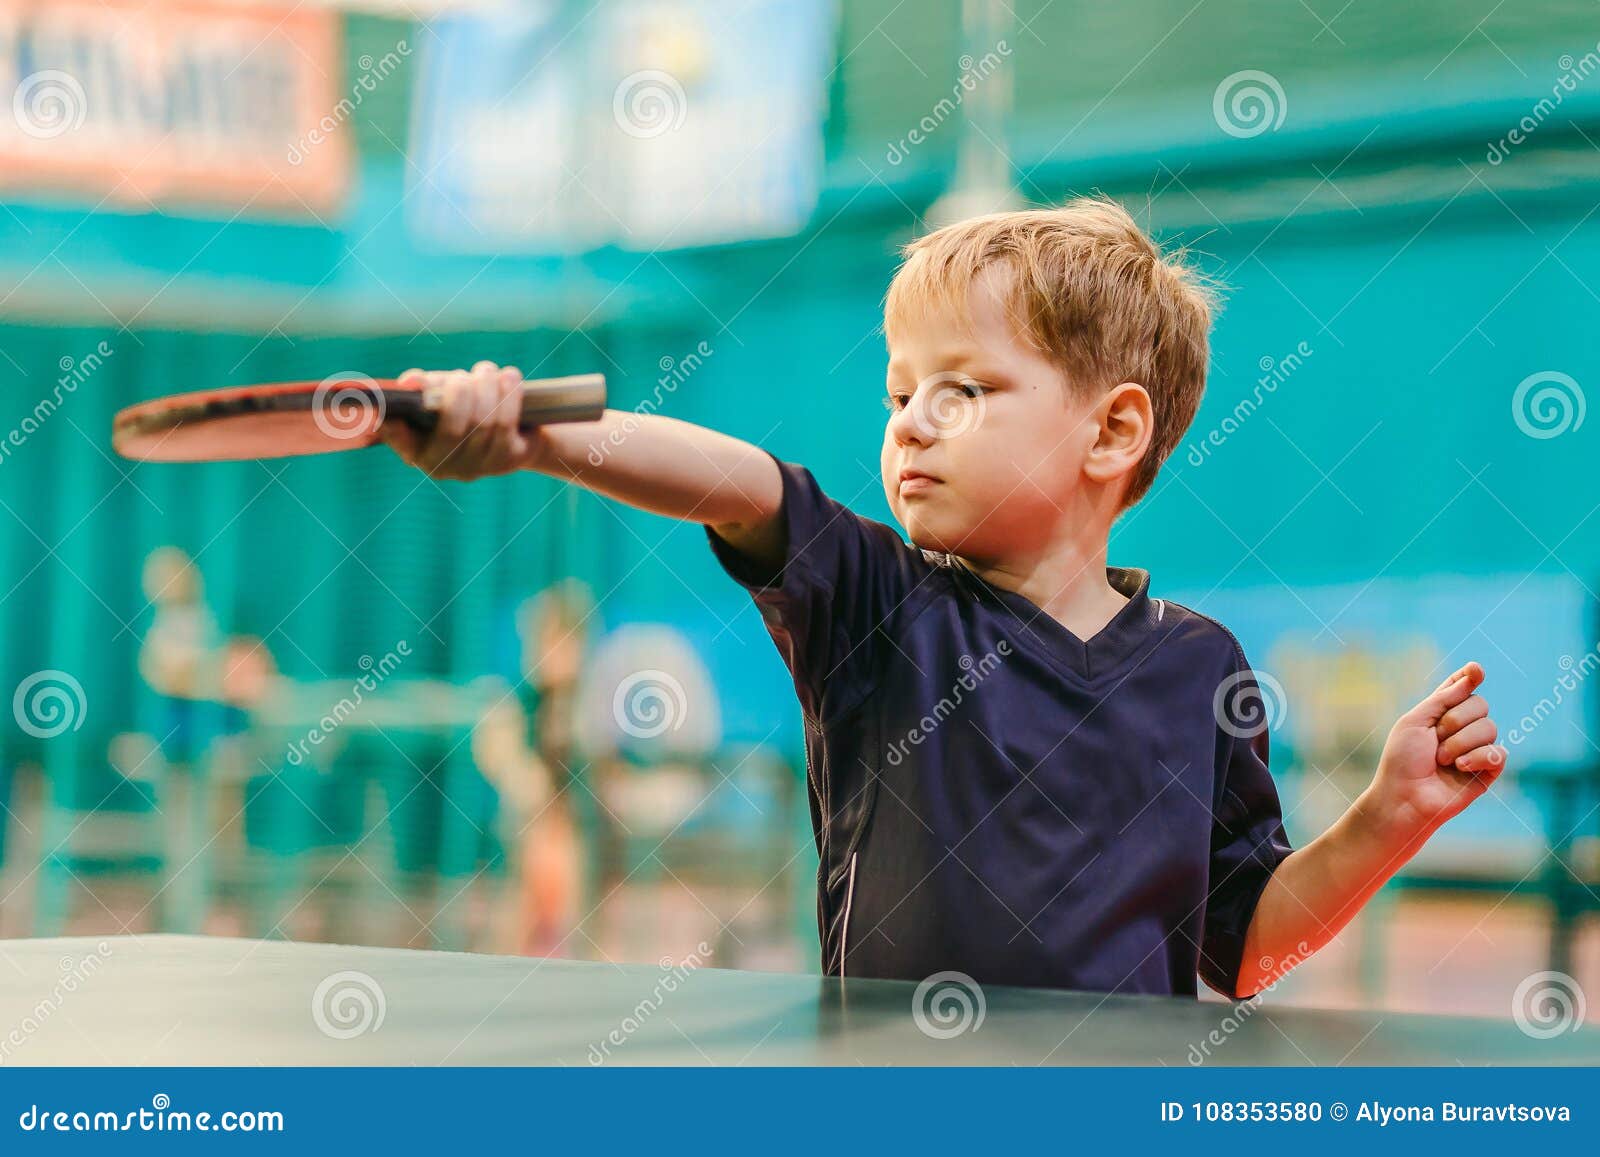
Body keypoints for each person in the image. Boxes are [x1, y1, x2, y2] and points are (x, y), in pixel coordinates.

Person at [376, 197, 1507, 999]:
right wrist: (541, 433)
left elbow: (1247, 949)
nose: (911, 421)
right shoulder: (877, 607)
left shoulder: (1199, 666)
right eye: (898, 392)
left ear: (1113, 430)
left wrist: (1387, 817)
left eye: (961, 388)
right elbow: (738, 481)